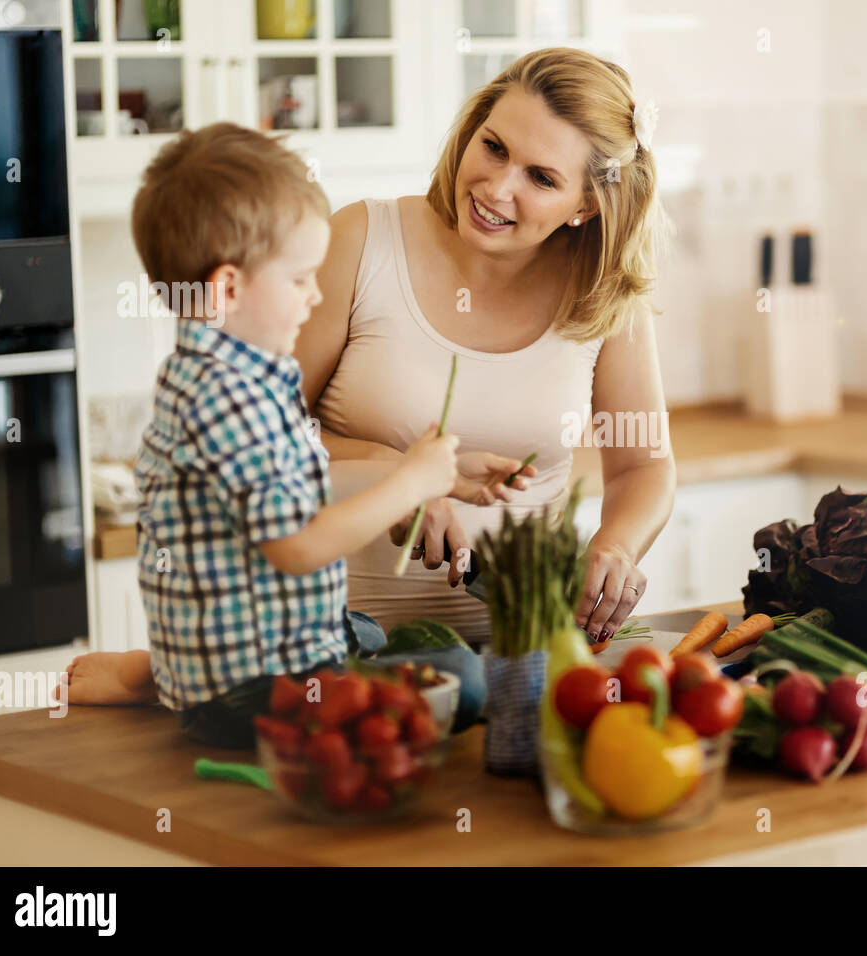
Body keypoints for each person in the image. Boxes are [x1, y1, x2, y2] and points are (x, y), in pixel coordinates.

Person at [62, 124, 527, 747]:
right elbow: (298, 549)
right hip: (260, 692)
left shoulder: (219, 370)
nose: (316, 296)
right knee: (466, 681)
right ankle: (178, 686)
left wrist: (435, 476)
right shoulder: (231, 398)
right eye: (301, 277)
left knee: (359, 631)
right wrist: (410, 483)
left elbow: (300, 481)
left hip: (239, 655)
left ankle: (160, 675)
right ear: (229, 287)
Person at [299, 48, 677, 647]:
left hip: (523, 661)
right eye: (494, 147)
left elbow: (643, 466)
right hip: (331, 656)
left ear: (586, 205)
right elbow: (255, 436)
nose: (497, 189)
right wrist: (393, 477)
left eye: (542, 177)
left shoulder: (604, 293)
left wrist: (614, 546)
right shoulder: (361, 242)